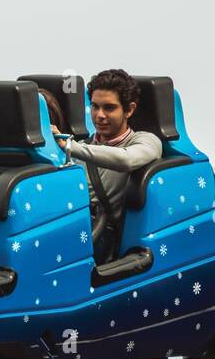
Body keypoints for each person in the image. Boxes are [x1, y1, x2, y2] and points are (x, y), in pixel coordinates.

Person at [56, 69, 162, 260]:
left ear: (129, 109)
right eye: (95, 107)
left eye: (109, 108)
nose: (99, 115)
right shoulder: (82, 147)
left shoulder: (146, 141)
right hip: (72, 229)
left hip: (103, 243)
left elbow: (125, 159)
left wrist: (69, 147)